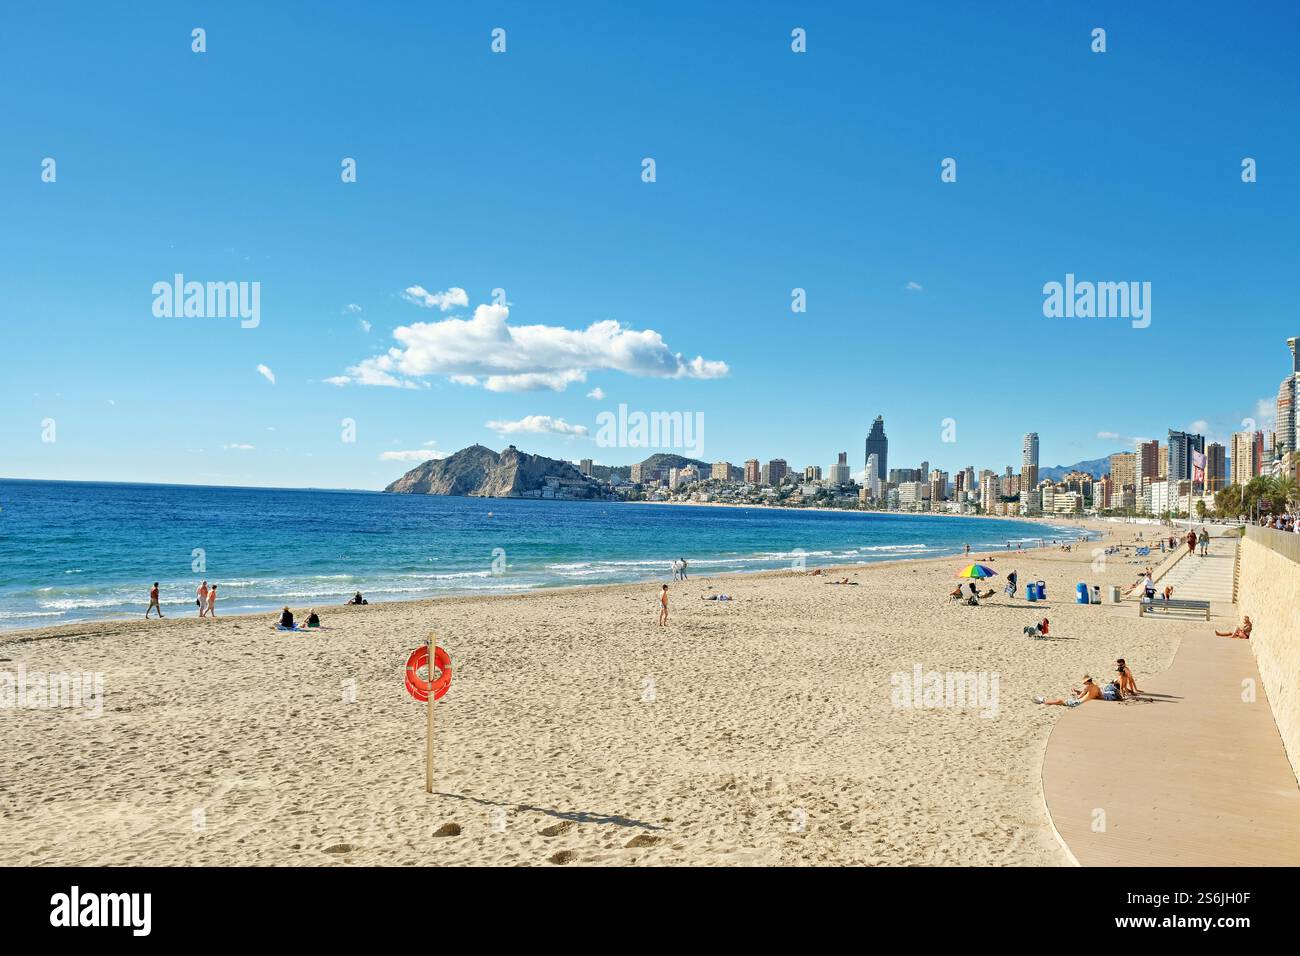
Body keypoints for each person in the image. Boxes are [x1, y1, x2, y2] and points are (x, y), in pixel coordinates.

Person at [1035, 676, 1102, 707]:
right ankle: (1044, 701)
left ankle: (1043, 701)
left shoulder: (1088, 687)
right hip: (1086, 703)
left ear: (1087, 682)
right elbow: (1098, 695)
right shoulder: (1097, 687)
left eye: (1084, 683)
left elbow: (1080, 696)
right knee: (1062, 701)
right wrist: (1077, 691)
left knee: (1060, 701)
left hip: (1079, 703)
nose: (1084, 684)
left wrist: (1075, 695)